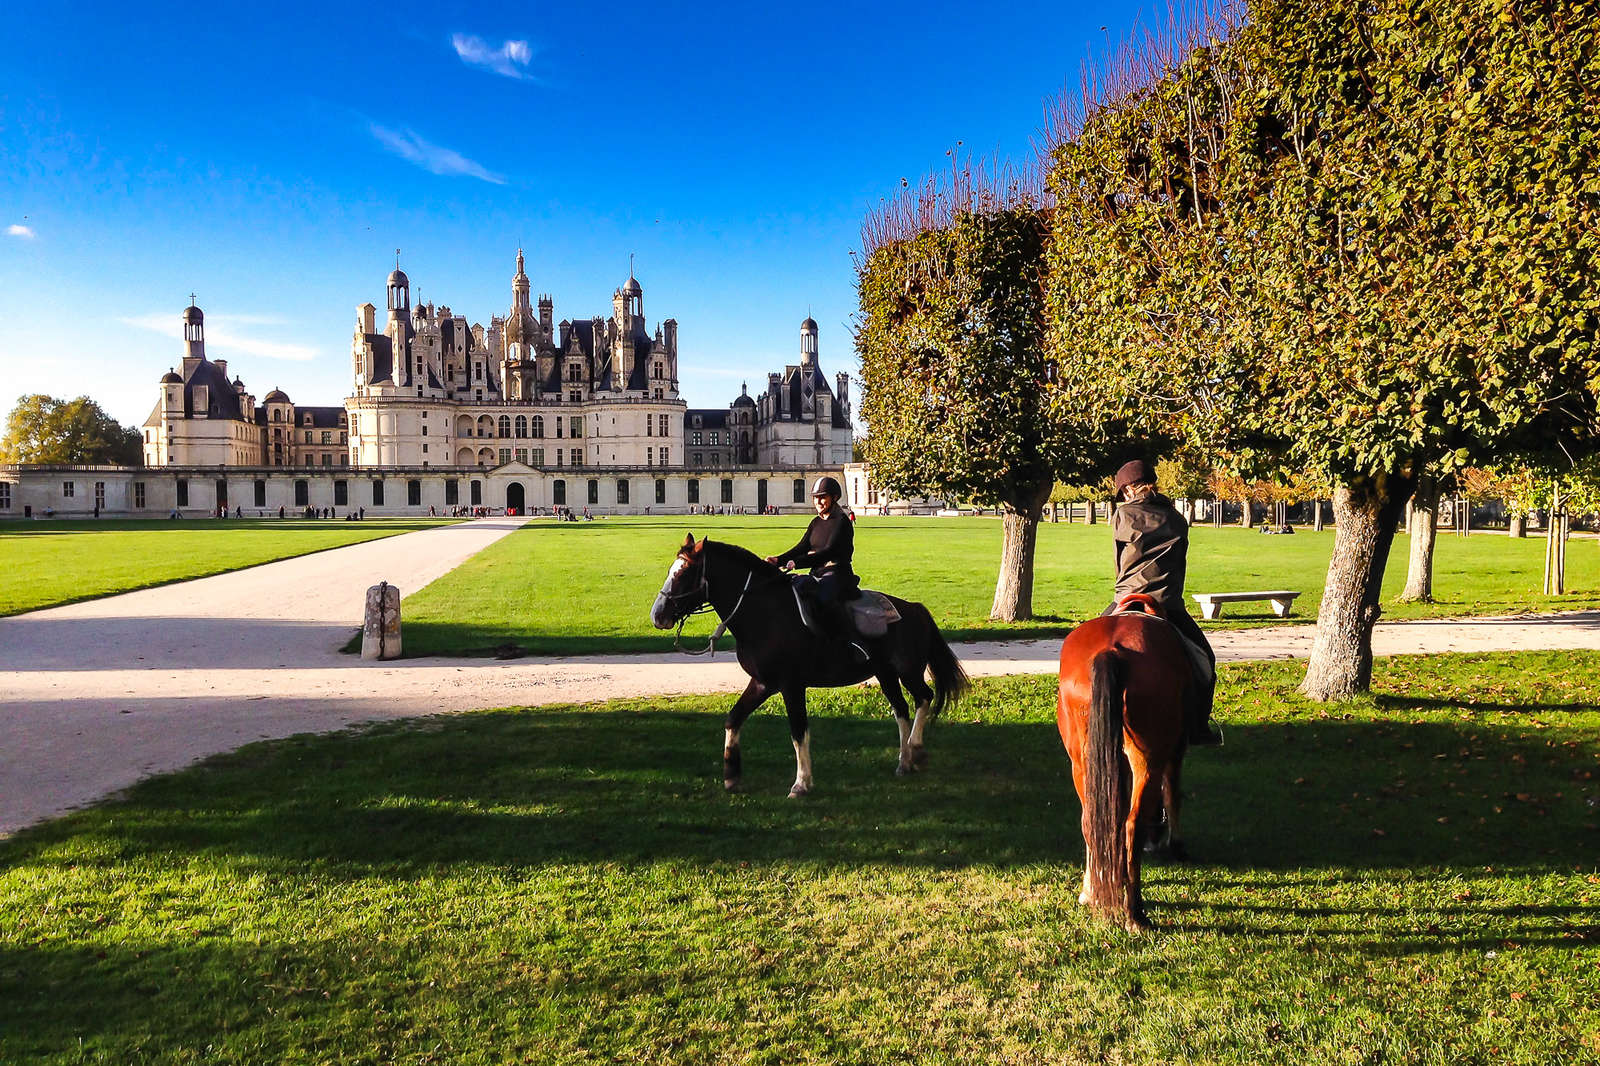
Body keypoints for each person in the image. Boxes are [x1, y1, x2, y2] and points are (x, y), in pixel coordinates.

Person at [1106, 459, 1221, 746]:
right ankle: (1199, 726)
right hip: (1166, 603)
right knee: (1205, 663)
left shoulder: (1121, 516)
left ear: (1129, 490)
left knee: (1082, 642)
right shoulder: (1176, 518)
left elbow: (1119, 565)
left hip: (1125, 598)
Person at [767, 476, 867, 661]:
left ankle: (850, 643)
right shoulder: (816, 522)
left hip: (838, 574)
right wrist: (778, 559)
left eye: (823, 497)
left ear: (834, 497)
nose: (818, 501)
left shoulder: (841, 522)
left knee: (823, 599)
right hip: (818, 574)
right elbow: (801, 547)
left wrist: (797, 563)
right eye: (815, 497)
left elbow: (828, 553)